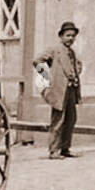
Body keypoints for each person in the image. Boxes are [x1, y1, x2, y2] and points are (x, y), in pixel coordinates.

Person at [34, 21, 83, 159]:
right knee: (58, 120)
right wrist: (45, 79)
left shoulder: (72, 52)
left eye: (73, 36)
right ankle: (54, 150)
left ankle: (65, 148)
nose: (71, 38)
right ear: (61, 36)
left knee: (71, 119)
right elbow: (37, 61)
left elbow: (76, 66)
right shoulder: (54, 50)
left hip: (71, 90)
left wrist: (77, 72)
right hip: (59, 91)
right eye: (68, 35)